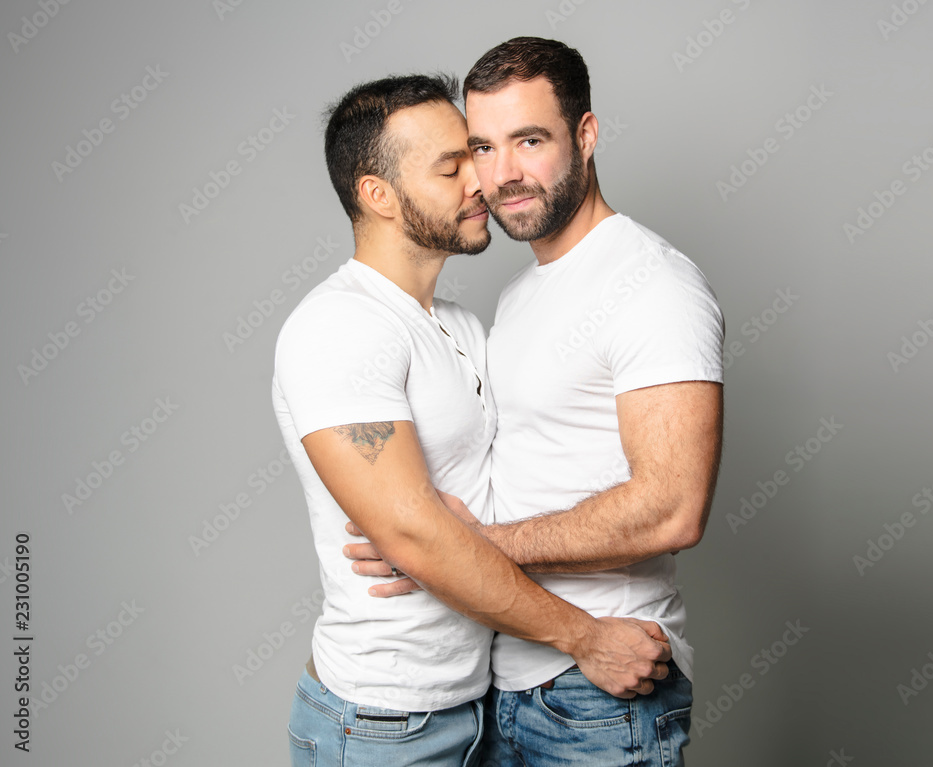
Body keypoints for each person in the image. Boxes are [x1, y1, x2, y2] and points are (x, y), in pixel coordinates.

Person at [272, 73, 674, 767]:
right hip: (380, 720)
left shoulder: (460, 325)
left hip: (479, 706)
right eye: (451, 166)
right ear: (378, 194)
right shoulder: (338, 326)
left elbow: (468, 512)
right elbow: (414, 536)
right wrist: (584, 637)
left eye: (475, 156)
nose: (481, 182)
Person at [349, 38, 725, 765]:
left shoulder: (654, 285)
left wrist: (468, 550)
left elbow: (675, 506)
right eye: (483, 148)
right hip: (507, 683)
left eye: (530, 140)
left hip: (606, 685)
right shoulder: (521, 293)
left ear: (586, 134)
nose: (504, 175)